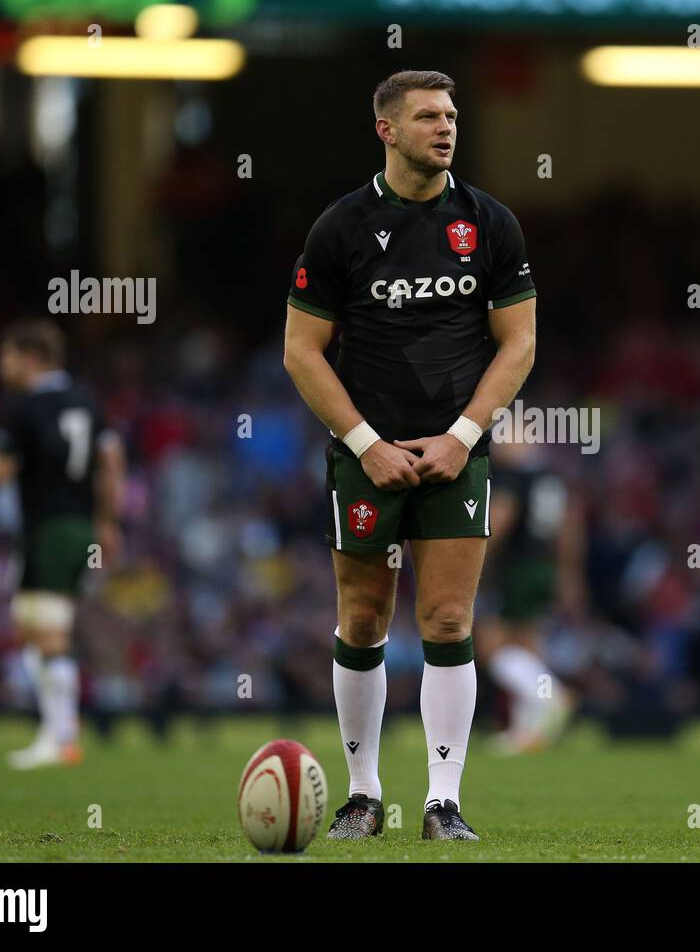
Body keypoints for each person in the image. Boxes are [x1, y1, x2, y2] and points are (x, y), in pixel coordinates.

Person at [283, 70, 537, 840]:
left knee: (449, 616)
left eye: (452, 114)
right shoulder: (341, 228)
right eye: (428, 115)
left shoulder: (489, 224)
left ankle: (442, 802)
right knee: (362, 620)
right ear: (386, 130)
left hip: (456, 456)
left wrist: (463, 437)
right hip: (367, 454)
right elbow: (302, 351)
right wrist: (367, 444)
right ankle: (364, 796)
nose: (446, 126)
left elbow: (519, 342)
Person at [0, 319, 124, 769]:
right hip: (78, 526)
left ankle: (60, 738)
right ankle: (58, 732)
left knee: (48, 630)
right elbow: (111, 457)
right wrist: (107, 521)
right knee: (28, 625)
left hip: (48, 526)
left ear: (31, 357)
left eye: (7, 355)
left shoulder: (23, 408)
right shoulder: (85, 400)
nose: (2, 364)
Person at [477, 438, 584, 754]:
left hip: (515, 568)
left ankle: (554, 695)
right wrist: (568, 575)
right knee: (528, 646)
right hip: (543, 567)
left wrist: (476, 562)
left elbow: (502, 517)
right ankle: (527, 731)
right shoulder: (552, 479)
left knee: (490, 646)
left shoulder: (514, 478)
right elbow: (570, 527)